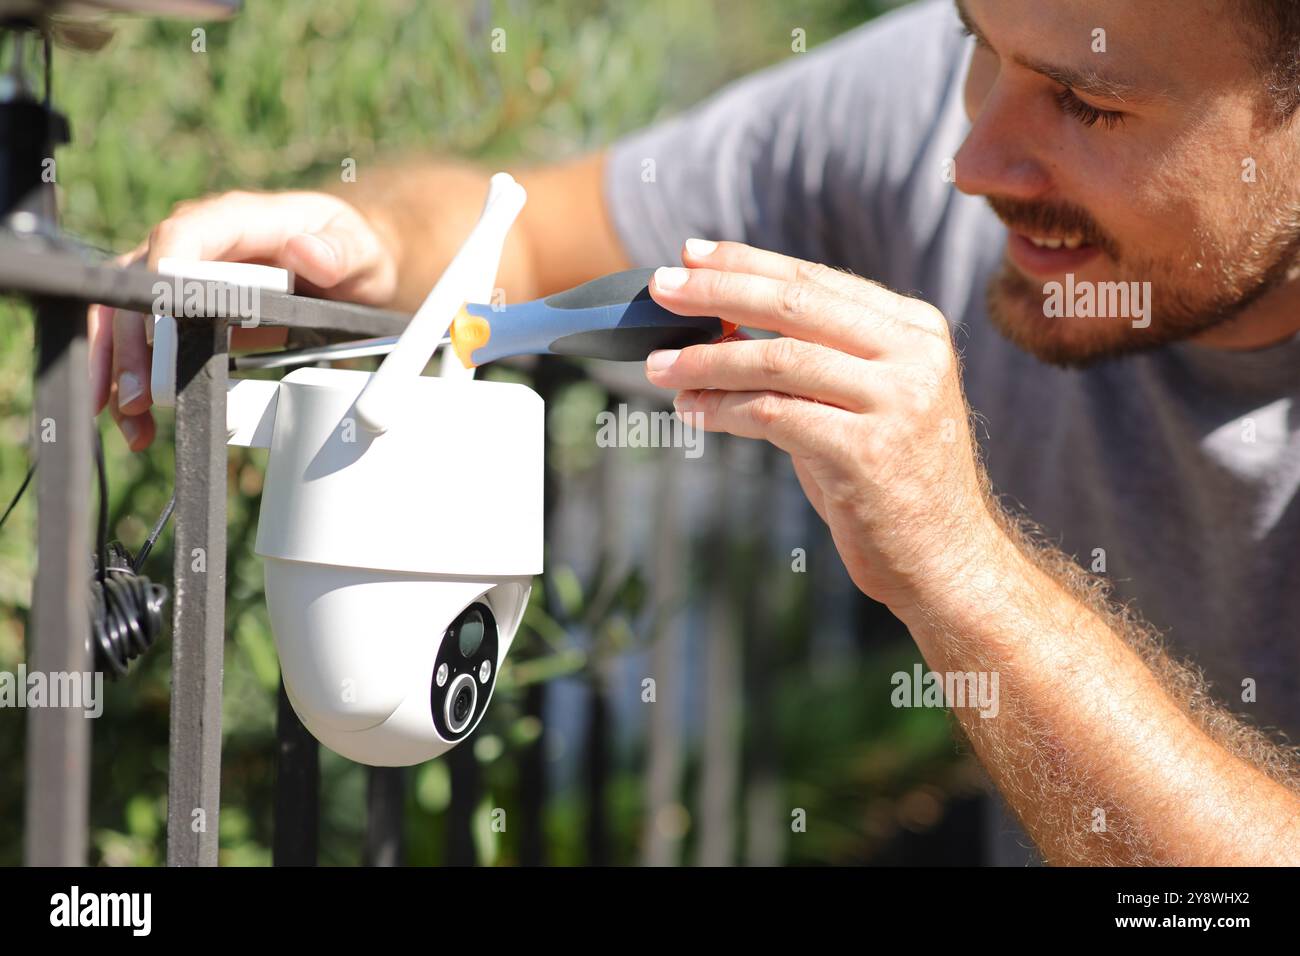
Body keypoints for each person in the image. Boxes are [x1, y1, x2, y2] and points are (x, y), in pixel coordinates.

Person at [89, 0, 1300, 864]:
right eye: (976, 48)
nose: (971, 160)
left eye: (1088, 106)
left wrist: (966, 570)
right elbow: (520, 237)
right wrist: (360, 246)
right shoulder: (921, 107)